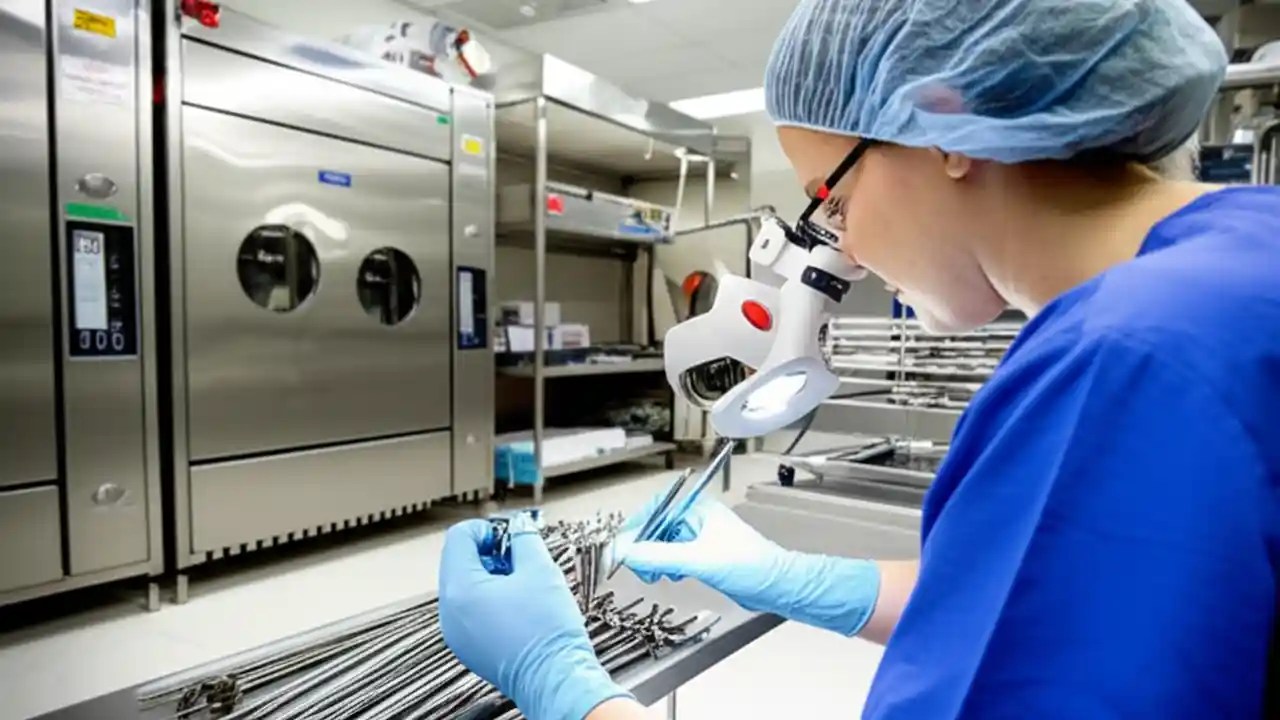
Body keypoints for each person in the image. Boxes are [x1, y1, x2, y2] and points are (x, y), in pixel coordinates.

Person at [439, 0, 1280, 717]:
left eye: (835, 200)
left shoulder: (1123, 364)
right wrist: (802, 577)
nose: (846, 248)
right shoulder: (1244, 258)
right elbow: (1073, 608)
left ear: (949, 125)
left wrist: (572, 691)